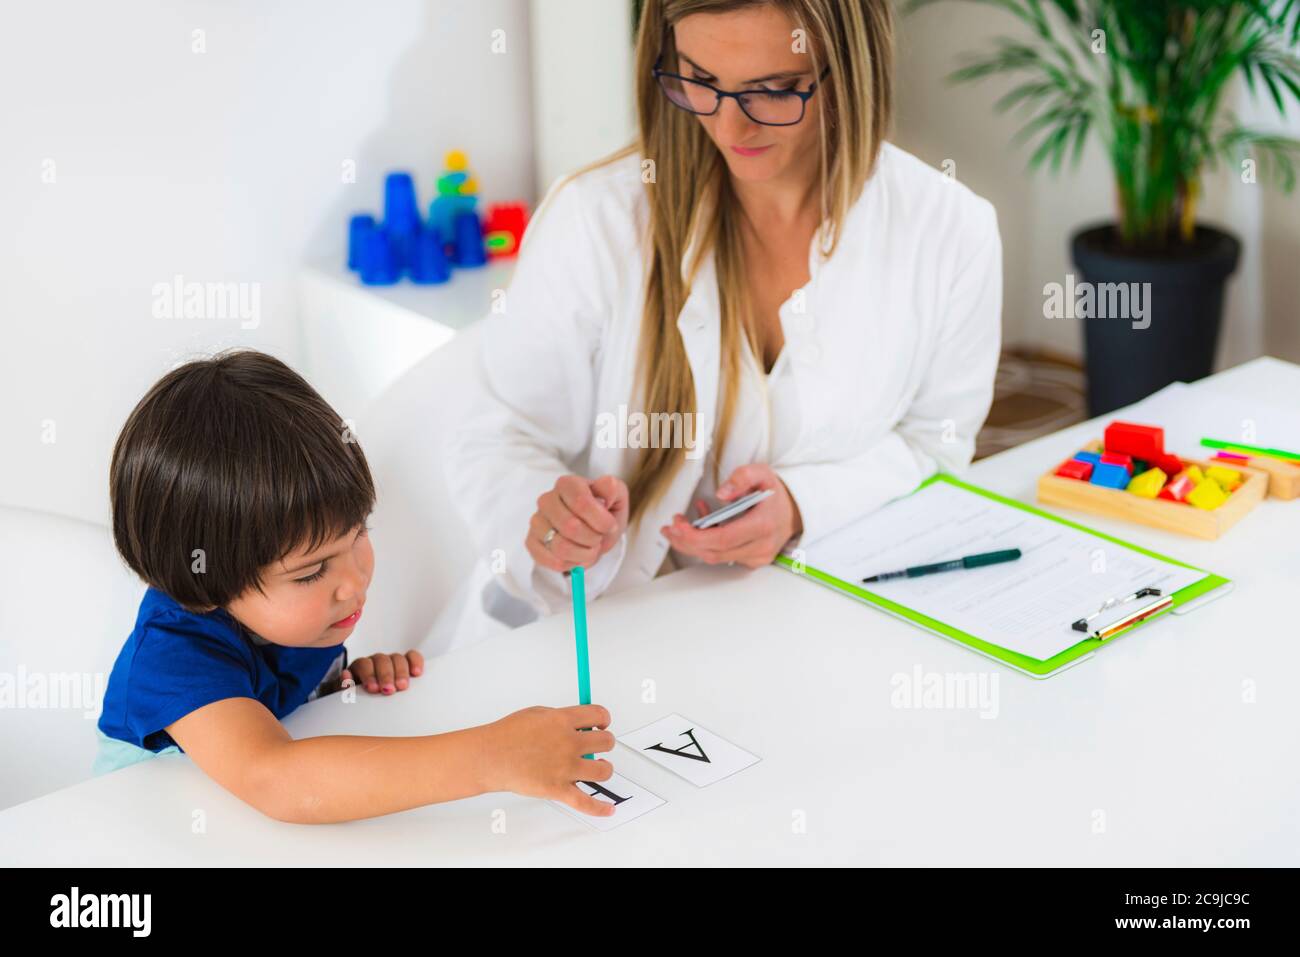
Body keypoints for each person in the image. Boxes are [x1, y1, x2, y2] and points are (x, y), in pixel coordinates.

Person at [434, 0, 1001, 647]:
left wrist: (802, 505)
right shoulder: (595, 219)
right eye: (698, 78)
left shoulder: (953, 232)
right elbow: (494, 437)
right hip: (594, 639)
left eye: (775, 89)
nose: (729, 125)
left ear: (851, 65)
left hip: (816, 638)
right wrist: (545, 516)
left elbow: (937, 446)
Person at [97, 349, 617, 824]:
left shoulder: (293, 614)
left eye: (358, 534)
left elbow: (279, 716)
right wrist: (493, 756)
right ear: (204, 587)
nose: (354, 583)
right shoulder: (172, 656)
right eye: (310, 572)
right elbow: (280, 780)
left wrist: (336, 688)